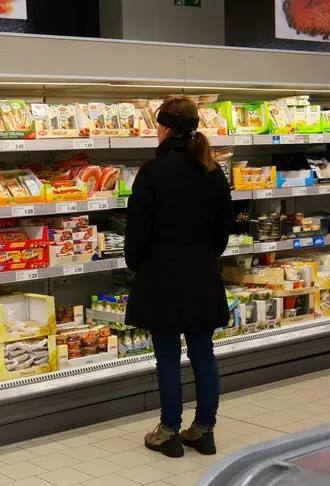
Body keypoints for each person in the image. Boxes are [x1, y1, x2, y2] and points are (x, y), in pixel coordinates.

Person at [124, 97, 233, 458]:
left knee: (167, 357)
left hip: (162, 277)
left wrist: (136, 263)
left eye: (158, 125)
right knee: (204, 352)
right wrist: (203, 257)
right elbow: (223, 231)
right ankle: (204, 430)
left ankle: (169, 431)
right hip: (202, 274)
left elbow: (137, 231)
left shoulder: (152, 173)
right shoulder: (213, 171)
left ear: (167, 128)